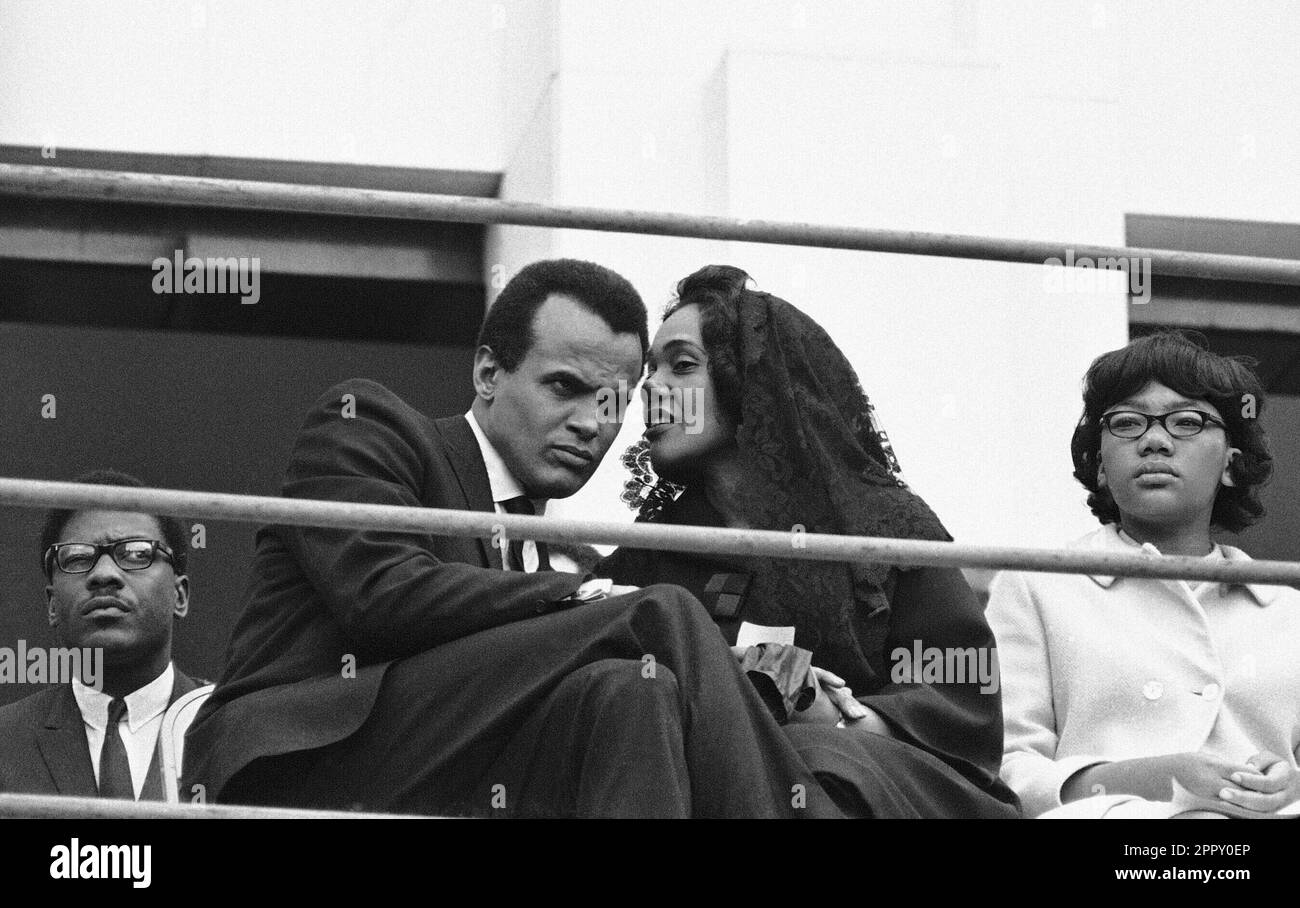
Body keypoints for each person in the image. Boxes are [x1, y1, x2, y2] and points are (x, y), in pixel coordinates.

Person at [183, 258, 839, 818]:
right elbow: (379, 596)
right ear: (489, 373)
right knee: (660, 611)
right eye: (565, 388)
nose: (591, 424)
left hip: (472, 773)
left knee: (633, 689)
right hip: (307, 760)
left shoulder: (570, 554)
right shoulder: (370, 426)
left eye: (612, 402)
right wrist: (580, 600)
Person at [597, 265, 1020, 818]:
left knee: (811, 756)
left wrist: (837, 713)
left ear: (750, 382)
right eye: (651, 370)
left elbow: (961, 699)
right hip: (708, 789)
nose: (649, 388)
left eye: (680, 366)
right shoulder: (654, 546)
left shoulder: (883, 529)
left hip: (878, 787)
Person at [986, 331, 1300, 818]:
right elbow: (1001, 768)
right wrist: (1154, 779)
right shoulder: (1038, 584)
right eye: (1128, 423)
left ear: (1231, 466)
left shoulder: (1287, 607)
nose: (1155, 440)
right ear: (1101, 468)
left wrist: (1290, 785)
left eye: (1187, 421)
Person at [0, 469, 204, 801]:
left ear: (179, 596)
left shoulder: (230, 732)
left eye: (136, 553)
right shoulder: (5, 742)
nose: (104, 574)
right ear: (52, 605)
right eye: (78, 558)